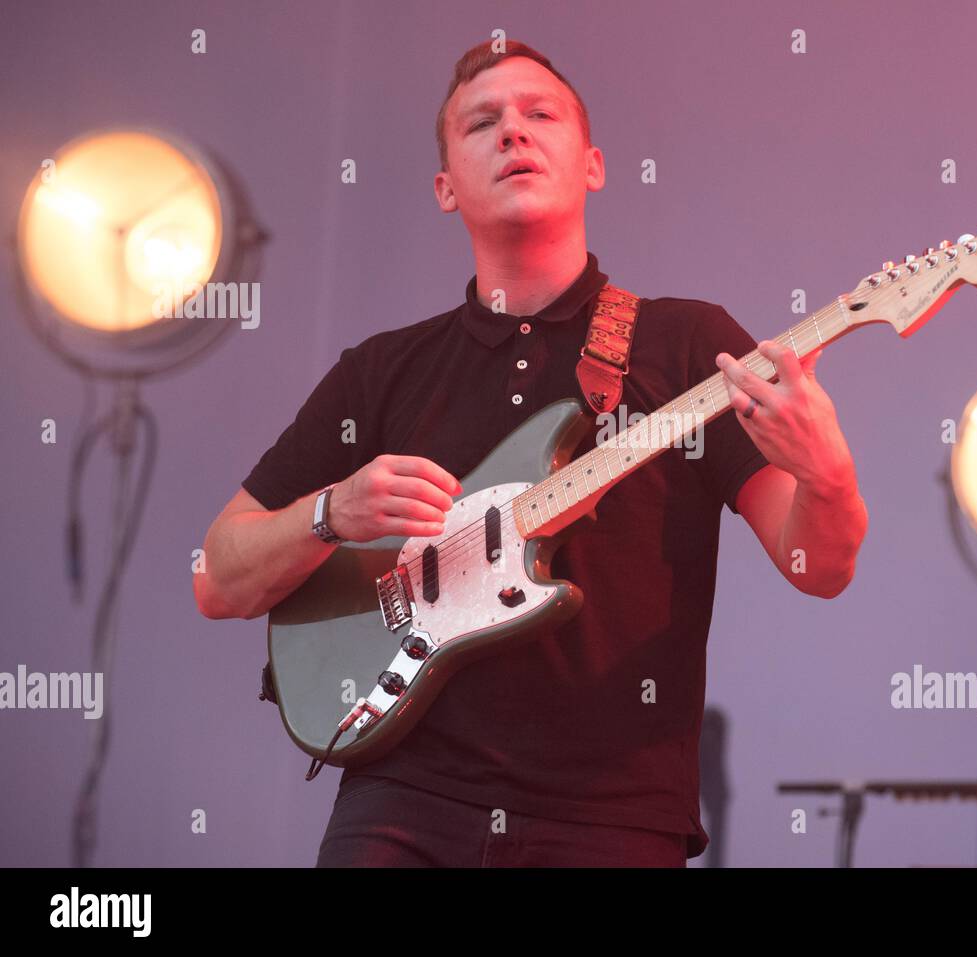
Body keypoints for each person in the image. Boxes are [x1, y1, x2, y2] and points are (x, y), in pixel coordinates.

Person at [194, 39, 867, 867]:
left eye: (539, 115)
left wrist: (827, 471)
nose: (513, 131)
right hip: (401, 797)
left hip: (613, 813)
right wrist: (332, 513)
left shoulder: (691, 345)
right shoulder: (380, 371)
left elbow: (820, 566)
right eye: (483, 122)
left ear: (592, 166)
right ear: (445, 187)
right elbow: (216, 577)